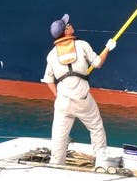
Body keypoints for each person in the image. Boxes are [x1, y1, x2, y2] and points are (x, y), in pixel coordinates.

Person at [42, 13, 116, 166]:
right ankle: (102, 161)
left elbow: (49, 79)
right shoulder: (82, 45)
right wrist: (107, 48)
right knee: (96, 126)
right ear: (66, 32)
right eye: (67, 25)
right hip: (82, 100)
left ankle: (55, 166)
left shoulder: (51, 55)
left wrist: (57, 95)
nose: (70, 25)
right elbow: (97, 63)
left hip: (63, 102)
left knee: (59, 138)